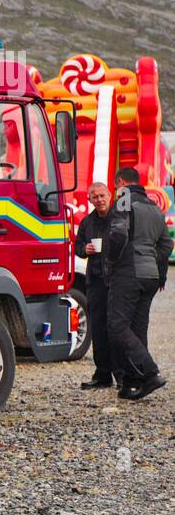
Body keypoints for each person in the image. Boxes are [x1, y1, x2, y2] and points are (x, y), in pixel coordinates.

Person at [104, 167, 172, 400]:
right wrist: (158, 271)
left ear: (121, 182)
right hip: (150, 276)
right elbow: (166, 246)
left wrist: (111, 261)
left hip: (128, 272)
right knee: (137, 329)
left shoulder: (123, 198)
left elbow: (119, 232)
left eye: (115, 187)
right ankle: (133, 381)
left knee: (117, 326)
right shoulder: (154, 206)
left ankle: (150, 372)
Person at [75, 182, 114, 389]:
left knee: (117, 328)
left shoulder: (120, 218)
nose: (99, 200)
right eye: (94, 197)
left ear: (110, 195)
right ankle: (103, 375)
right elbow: (78, 246)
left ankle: (124, 375)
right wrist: (85, 249)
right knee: (98, 328)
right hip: (96, 281)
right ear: (89, 199)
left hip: (117, 280)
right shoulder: (87, 222)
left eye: (102, 195)